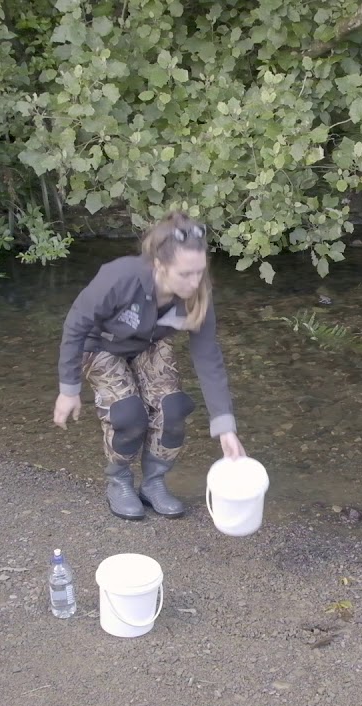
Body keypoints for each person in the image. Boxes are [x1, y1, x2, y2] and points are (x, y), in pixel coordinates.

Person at [53, 211, 246, 521]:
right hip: (100, 344)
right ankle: (119, 480)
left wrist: (225, 427)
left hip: (148, 344)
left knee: (174, 407)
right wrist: (69, 388)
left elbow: (208, 357)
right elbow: (76, 325)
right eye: (185, 274)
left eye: (200, 272)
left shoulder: (197, 294)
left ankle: (154, 482)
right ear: (159, 265)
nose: (195, 281)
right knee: (129, 415)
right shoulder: (120, 277)